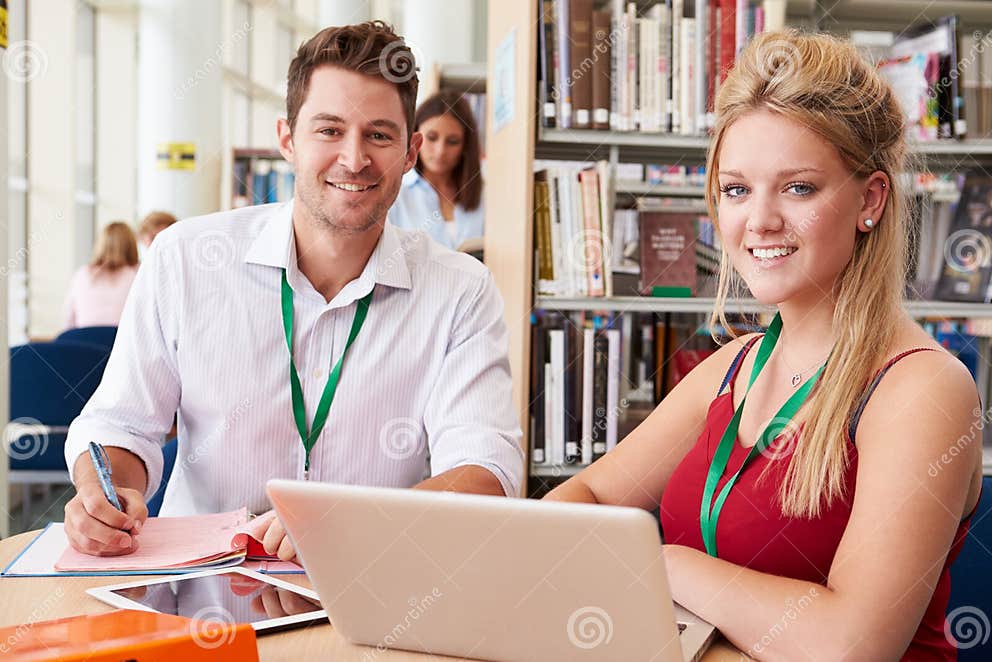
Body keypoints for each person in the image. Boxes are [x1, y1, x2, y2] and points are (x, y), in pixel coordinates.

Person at [545, 30, 983, 660]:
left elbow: (849, 646)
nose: (759, 221)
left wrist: (661, 565)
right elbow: (585, 497)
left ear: (870, 198)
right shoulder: (733, 366)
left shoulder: (921, 391)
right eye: (736, 189)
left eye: (798, 187)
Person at [62, 21, 523, 561]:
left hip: (372, 593)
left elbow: (487, 469)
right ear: (287, 139)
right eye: (329, 130)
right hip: (198, 598)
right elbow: (122, 424)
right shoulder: (184, 258)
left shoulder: (460, 289)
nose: (354, 159)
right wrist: (105, 495)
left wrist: (351, 523)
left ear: (410, 151)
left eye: (379, 134)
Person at [387, 90, 484, 251]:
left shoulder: (484, 195)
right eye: (431, 138)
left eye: (452, 142)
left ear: (465, 146)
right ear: (416, 139)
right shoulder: (396, 192)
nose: (440, 151)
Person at [63, 221, 140, 329]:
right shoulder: (138, 275)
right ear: (132, 245)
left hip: (81, 341)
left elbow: (69, 320)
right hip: (118, 342)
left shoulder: (82, 274)